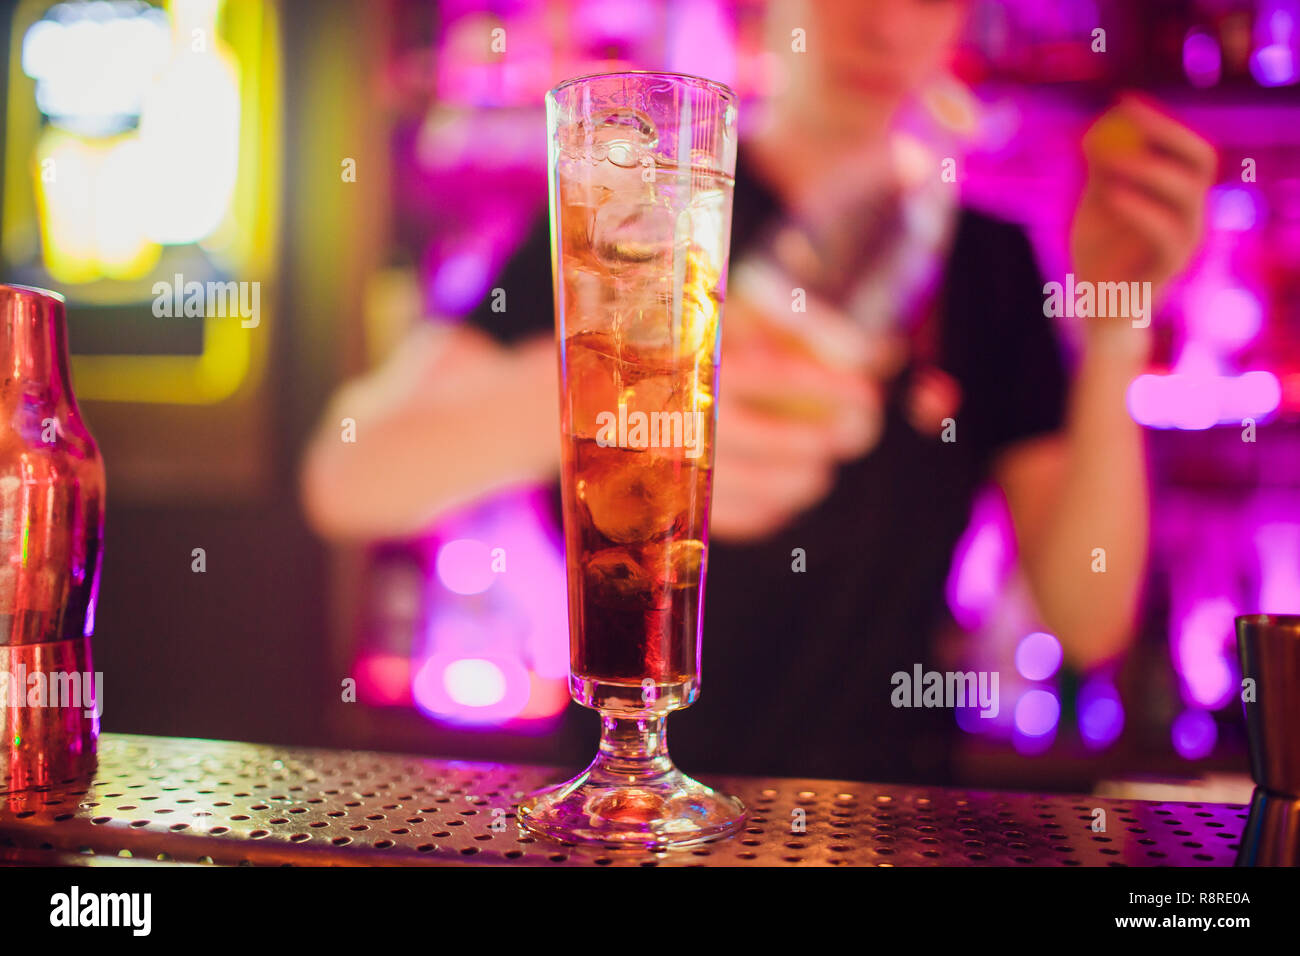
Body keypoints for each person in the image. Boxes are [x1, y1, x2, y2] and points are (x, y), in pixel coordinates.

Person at [301, 0, 1216, 782]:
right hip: (621, 811)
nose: (885, 25)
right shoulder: (635, 222)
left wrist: (1118, 319)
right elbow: (345, 477)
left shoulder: (987, 264)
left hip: (883, 820)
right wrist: (628, 396)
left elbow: (1089, 617)